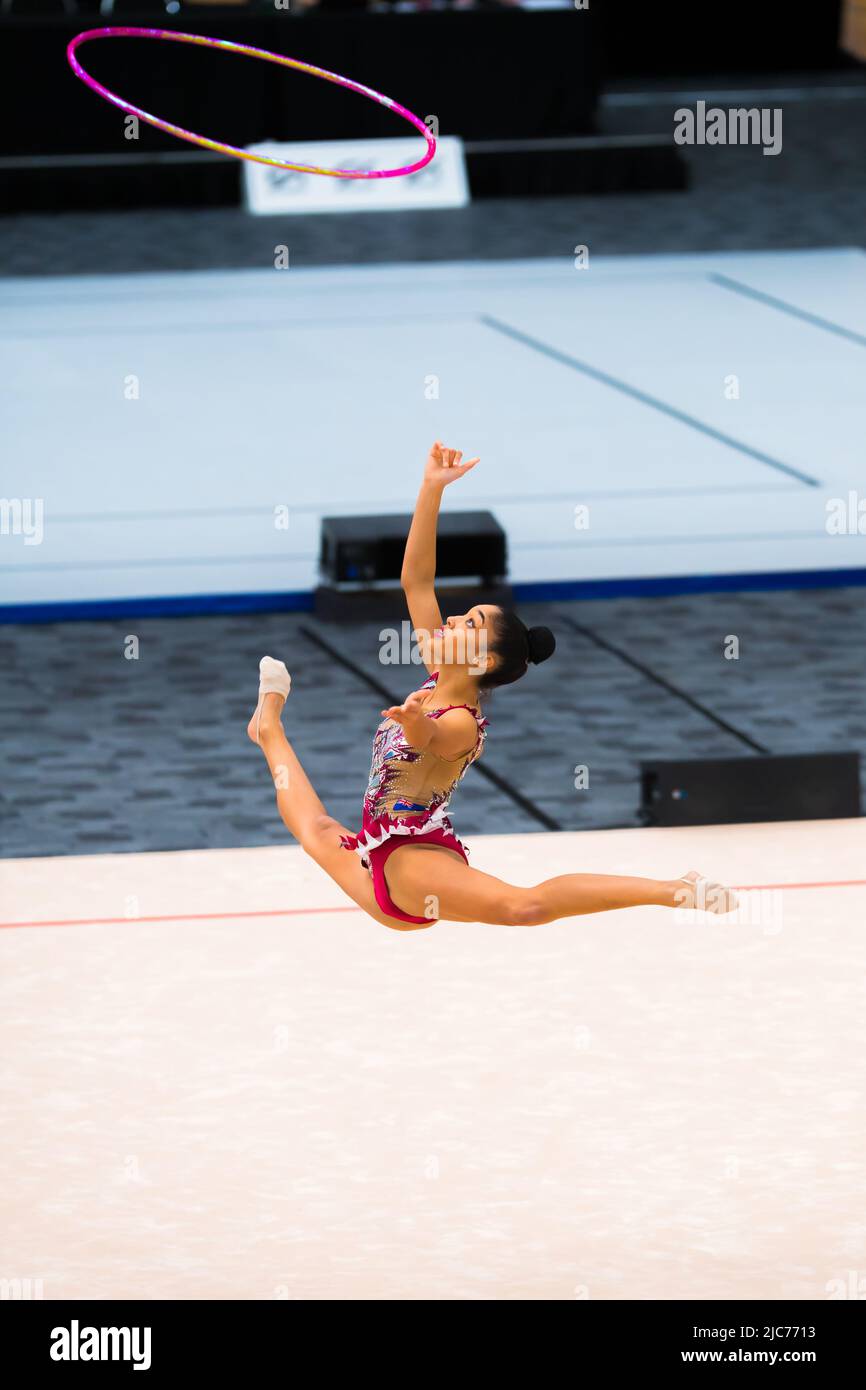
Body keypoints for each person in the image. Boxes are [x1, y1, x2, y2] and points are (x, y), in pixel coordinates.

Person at [248, 442, 737, 930]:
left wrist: (417, 723)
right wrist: (431, 490)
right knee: (316, 829)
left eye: (470, 621)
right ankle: (268, 727)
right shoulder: (439, 673)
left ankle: (674, 890)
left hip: (414, 861)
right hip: (374, 856)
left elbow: (430, 741)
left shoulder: (461, 721)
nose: (453, 618)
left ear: (481, 659)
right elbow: (416, 581)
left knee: (523, 907)